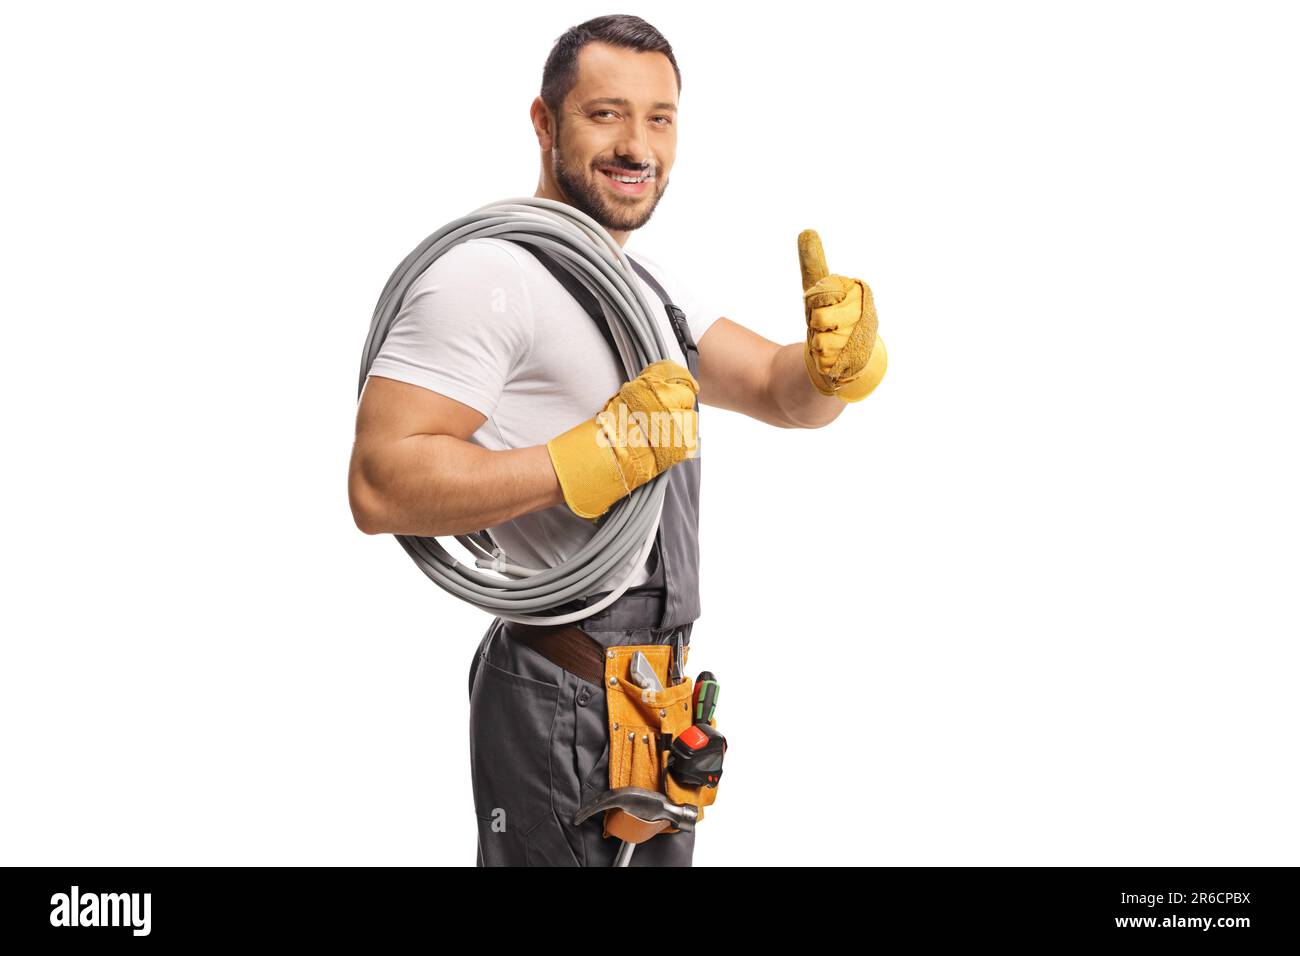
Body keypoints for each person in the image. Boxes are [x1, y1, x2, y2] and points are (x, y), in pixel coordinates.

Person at [348, 14, 886, 866]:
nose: (638, 144)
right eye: (606, 114)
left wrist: (835, 370)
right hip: (563, 685)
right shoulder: (490, 275)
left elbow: (778, 393)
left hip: (658, 700)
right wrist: (586, 461)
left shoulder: (647, 292)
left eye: (660, 118)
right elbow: (382, 482)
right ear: (544, 122)